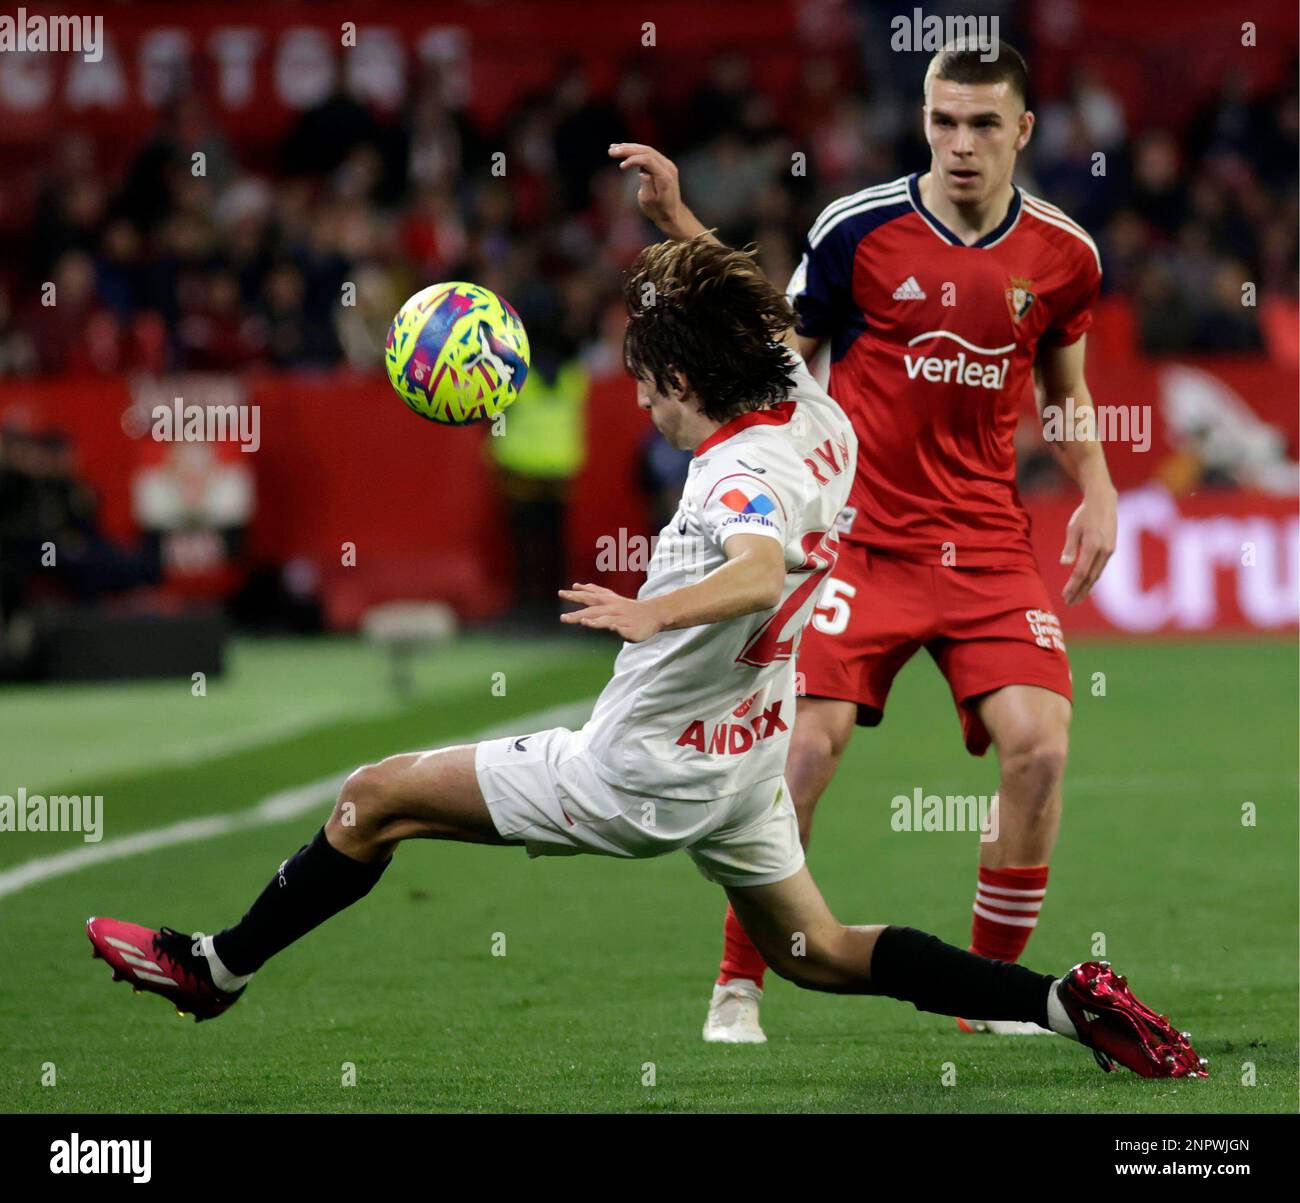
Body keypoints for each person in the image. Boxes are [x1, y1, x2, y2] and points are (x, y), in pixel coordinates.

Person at [86, 234, 1202, 1081]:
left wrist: (654, 615)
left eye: (650, 382)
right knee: (816, 950)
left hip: (635, 772)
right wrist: (679, 231)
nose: (644, 399)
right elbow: (759, 324)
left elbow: (759, 569)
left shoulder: (729, 481)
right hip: (744, 760)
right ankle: (1065, 1002)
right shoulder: (822, 417)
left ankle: (213, 971)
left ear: (684, 387)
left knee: (373, 799)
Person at [609, 38, 1121, 1044]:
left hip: (984, 547)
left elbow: (1066, 394)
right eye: (942, 121)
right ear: (921, 122)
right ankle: (737, 983)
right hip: (859, 543)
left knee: (1040, 751)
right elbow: (769, 345)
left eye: (982, 124)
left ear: (1022, 131)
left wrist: (1097, 489)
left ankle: (992, 999)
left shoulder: (1065, 257)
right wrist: (676, 222)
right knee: (802, 751)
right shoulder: (859, 229)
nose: (960, 144)